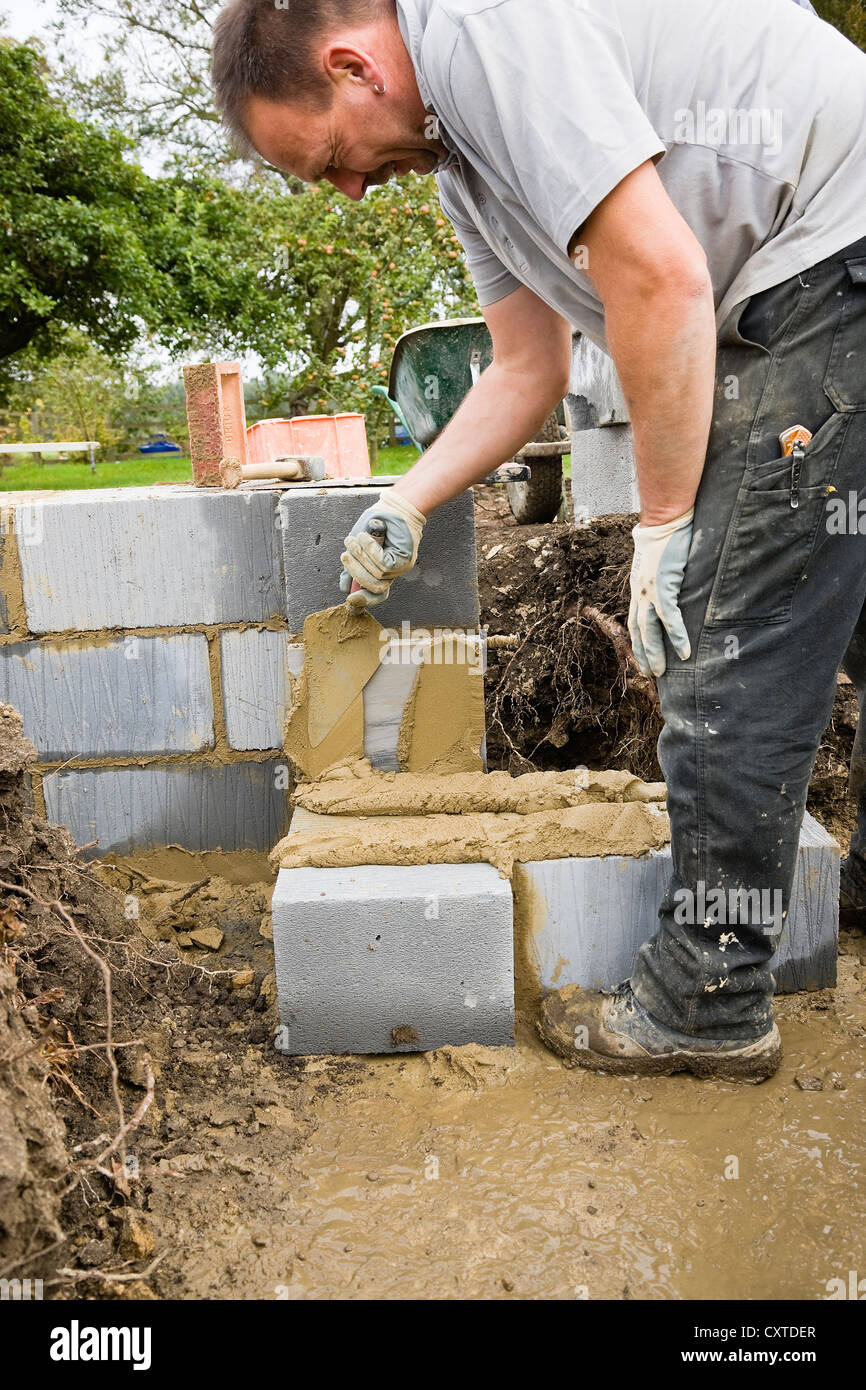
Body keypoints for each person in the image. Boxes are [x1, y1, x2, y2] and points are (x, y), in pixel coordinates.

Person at [212, 0, 866, 1081]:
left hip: (835, 257)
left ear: (351, 66)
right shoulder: (467, 162)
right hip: (809, 273)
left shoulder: (482, 32)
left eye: (329, 157)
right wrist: (409, 502)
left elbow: (658, 275)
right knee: (835, 597)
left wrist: (663, 526)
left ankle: (704, 1001)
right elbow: (528, 367)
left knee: (724, 626)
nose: (348, 189)